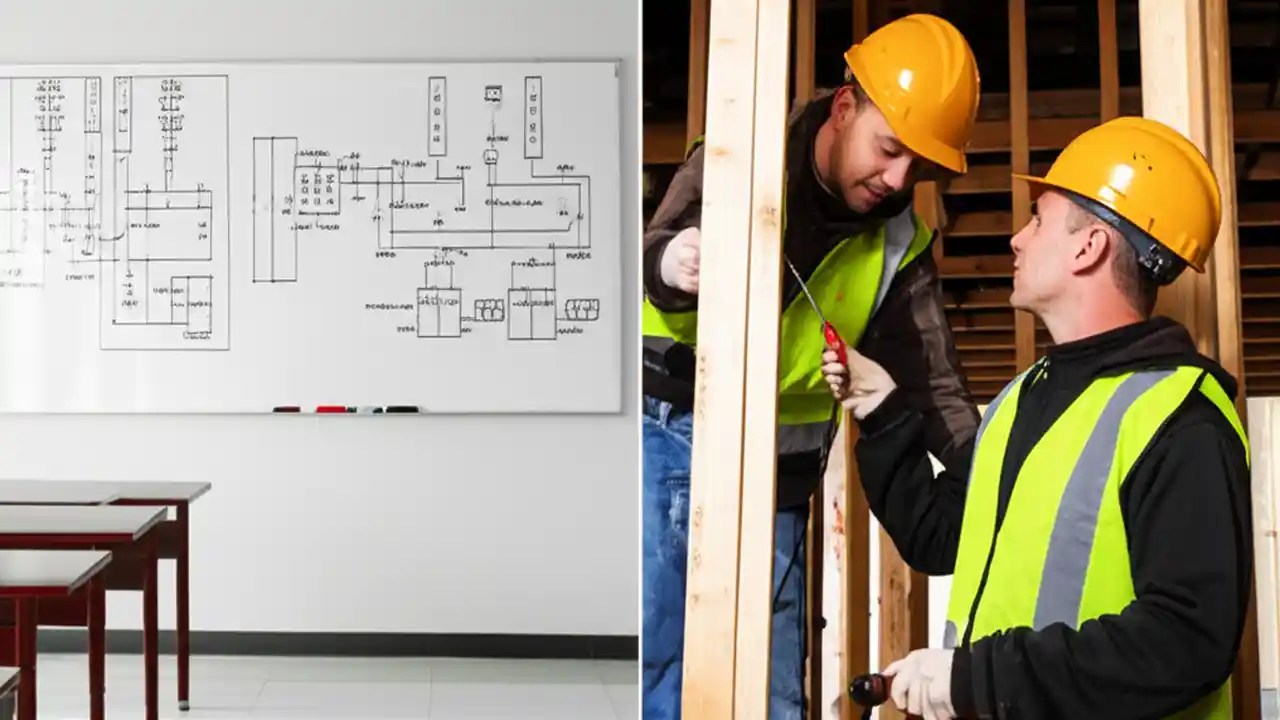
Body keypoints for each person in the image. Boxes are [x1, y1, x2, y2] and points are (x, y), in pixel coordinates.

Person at [822, 115, 1253, 719]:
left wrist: (971, 680)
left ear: (1089, 245)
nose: (1017, 239)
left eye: (1038, 218)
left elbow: (1184, 644)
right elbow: (941, 536)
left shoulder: (1180, 417)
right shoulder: (1022, 399)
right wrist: (884, 412)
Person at [641, 13, 985, 720]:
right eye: (890, 149)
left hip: (781, 486)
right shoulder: (740, 156)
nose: (896, 180)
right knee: (660, 670)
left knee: (772, 695)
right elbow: (657, 257)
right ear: (843, 107)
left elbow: (937, 391)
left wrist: (1002, 481)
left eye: (917, 168)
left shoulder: (900, 243)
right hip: (672, 443)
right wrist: (673, 265)